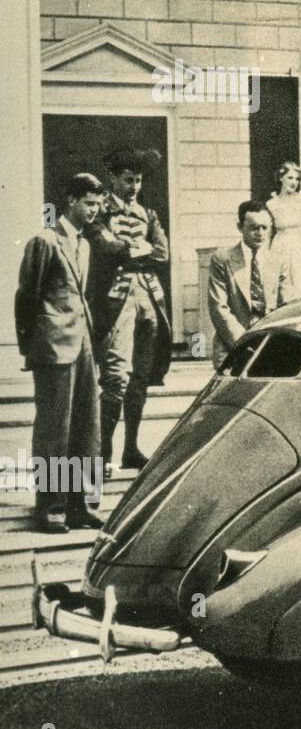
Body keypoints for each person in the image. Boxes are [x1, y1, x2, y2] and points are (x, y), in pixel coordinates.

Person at [14, 174, 106, 532]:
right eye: (88, 203)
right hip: (53, 348)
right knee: (55, 430)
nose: (94, 210)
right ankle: (50, 506)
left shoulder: (84, 244)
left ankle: (78, 504)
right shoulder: (45, 241)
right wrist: (32, 346)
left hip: (82, 345)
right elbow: (27, 297)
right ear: (70, 201)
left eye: (98, 204)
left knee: (86, 427)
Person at [87, 148, 171, 473]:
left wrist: (134, 251)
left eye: (138, 180)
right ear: (113, 178)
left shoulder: (148, 214)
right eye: (127, 179)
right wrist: (138, 248)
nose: (134, 186)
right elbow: (104, 247)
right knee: (116, 378)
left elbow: (163, 254)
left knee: (140, 377)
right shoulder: (101, 211)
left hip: (149, 300)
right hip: (116, 301)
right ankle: (102, 451)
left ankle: (131, 448)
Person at [207, 201, 290, 365]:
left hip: (270, 347)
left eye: (265, 228)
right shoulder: (222, 260)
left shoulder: (279, 261)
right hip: (233, 348)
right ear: (240, 227)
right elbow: (218, 308)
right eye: (254, 228)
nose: (260, 233)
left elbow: (287, 306)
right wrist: (244, 344)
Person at [266, 161, 301, 302]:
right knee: (283, 292)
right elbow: (268, 233)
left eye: (297, 179)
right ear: (281, 178)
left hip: (300, 251)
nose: (294, 182)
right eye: (290, 178)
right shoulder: (272, 203)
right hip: (279, 249)